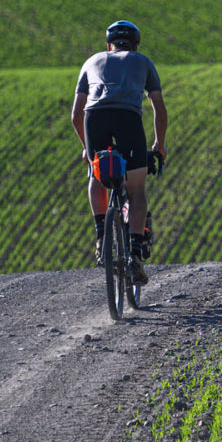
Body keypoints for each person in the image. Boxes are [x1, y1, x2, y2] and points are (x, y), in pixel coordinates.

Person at [71, 19, 168, 283]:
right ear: (135, 46)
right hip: (128, 119)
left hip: (95, 118)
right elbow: (158, 108)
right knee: (136, 191)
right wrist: (159, 144)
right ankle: (135, 254)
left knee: (96, 174)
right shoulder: (143, 62)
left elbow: (75, 115)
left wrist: (86, 149)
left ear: (108, 45)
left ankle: (102, 234)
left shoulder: (91, 61)